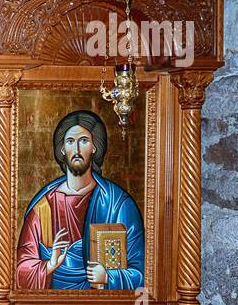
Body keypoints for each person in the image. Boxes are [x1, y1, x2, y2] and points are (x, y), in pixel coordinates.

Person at [15, 109, 144, 290]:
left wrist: (108, 277)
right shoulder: (44, 206)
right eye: (70, 141)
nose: (76, 149)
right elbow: (20, 271)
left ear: (94, 147)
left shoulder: (118, 204)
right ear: (62, 149)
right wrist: (49, 265)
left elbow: (143, 273)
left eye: (84, 141)